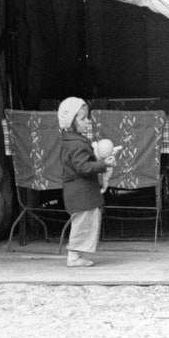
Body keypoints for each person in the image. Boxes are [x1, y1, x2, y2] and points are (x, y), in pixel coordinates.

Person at [58, 97, 115, 267]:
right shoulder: (76, 143)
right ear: (70, 121)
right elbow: (83, 167)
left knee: (86, 223)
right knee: (83, 224)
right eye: (82, 118)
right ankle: (74, 257)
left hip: (81, 192)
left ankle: (76, 255)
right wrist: (104, 164)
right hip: (81, 192)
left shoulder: (72, 140)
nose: (87, 122)